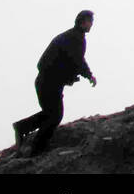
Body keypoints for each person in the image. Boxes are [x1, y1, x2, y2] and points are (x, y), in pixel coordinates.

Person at [12, 11, 97, 156]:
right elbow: (77, 60)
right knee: (55, 115)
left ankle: (22, 128)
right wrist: (87, 75)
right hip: (48, 82)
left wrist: (82, 75)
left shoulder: (75, 37)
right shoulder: (74, 38)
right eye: (90, 21)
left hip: (49, 82)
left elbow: (75, 60)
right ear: (82, 21)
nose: (91, 24)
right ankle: (36, 149)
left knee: (51, 113)